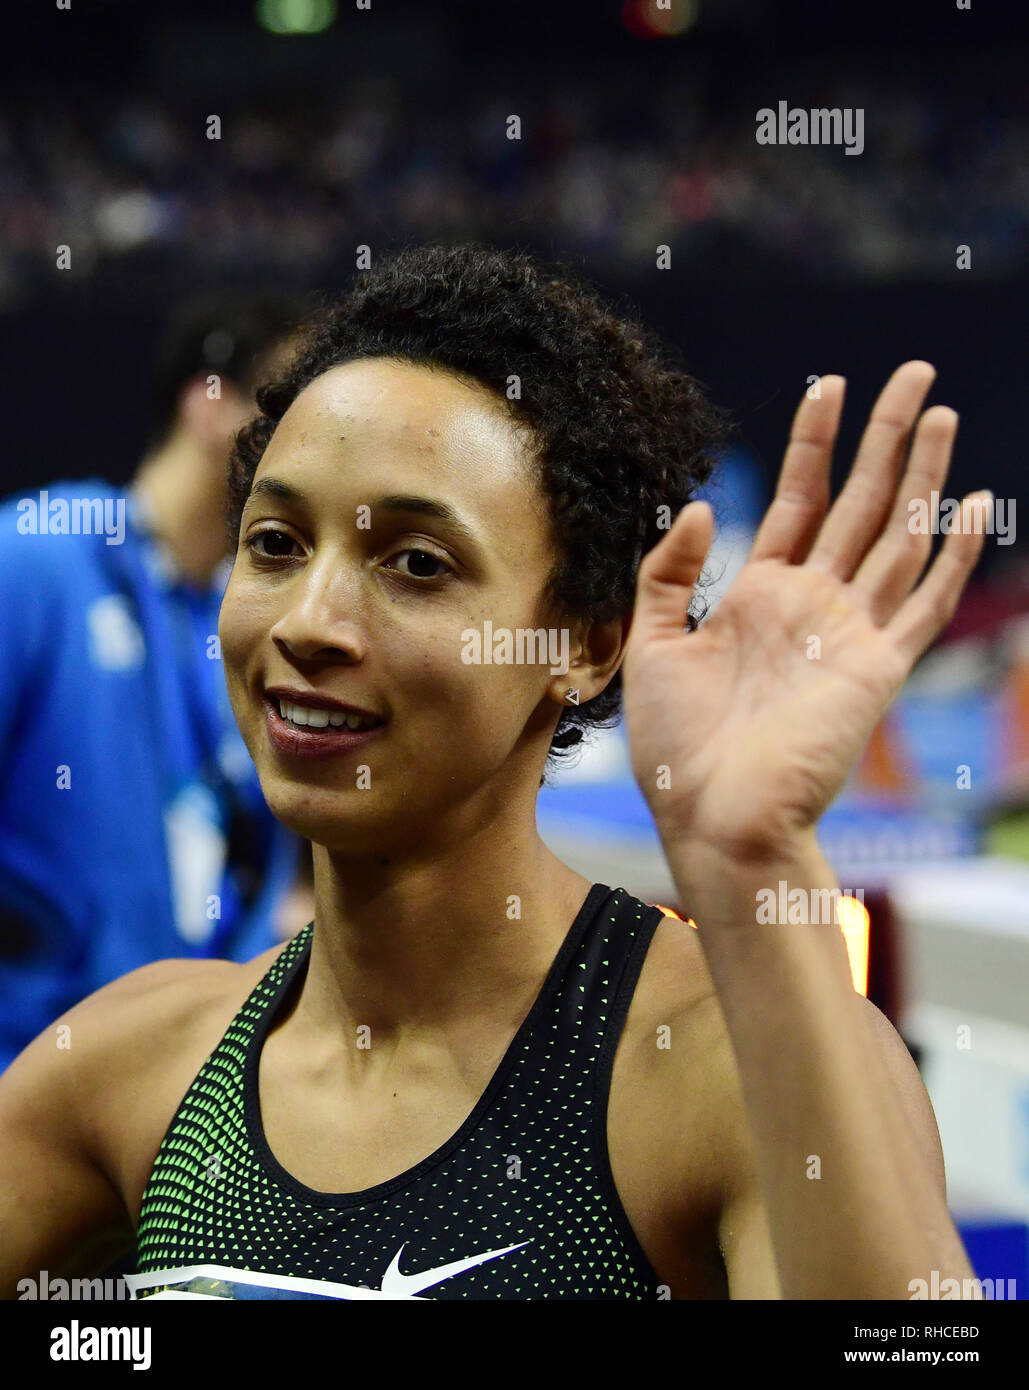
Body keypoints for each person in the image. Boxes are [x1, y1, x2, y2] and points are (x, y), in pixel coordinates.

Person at [0, 245, 986, 1299]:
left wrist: (749, 867)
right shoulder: (128, 1066)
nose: (308, 622)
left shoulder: (723, 1073)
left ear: (587, 644)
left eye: (417, 564)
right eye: (277, 542)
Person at [0, 292, 311, 1072]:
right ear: (210, 407)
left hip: (178, 1098)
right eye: (288, 405)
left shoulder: (247, 622)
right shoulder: (40, 557)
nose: (324, 438)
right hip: (31, 1084)